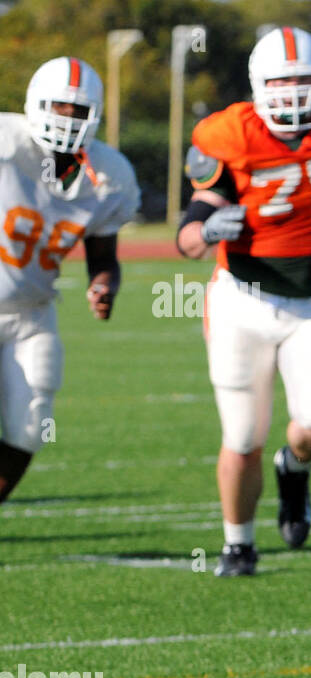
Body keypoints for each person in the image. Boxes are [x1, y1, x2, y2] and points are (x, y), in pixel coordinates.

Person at [177, 26, 311, 576]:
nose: (293, 93)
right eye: (281, 82)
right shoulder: (229, 133)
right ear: (257, 87)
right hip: (241, 299)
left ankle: (293, 468)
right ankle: (238, 544)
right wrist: (205, 230)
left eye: (303, 81)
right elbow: (191, 227)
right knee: (242, 435)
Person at [0, 57, 139, 503]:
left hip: (32, 313)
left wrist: (104, 285)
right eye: (58, 107)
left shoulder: (109, 175)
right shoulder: (6, 141)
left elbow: (103, 256)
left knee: (31, 426)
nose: (67, 119)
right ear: (34, 104)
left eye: (78, 111)